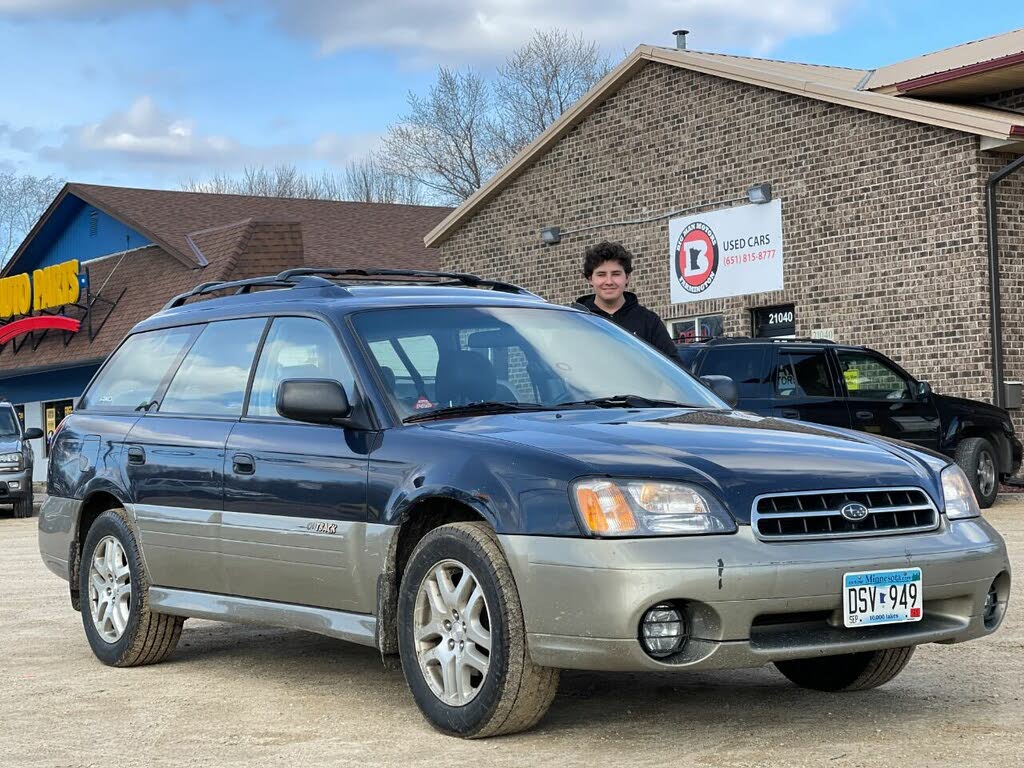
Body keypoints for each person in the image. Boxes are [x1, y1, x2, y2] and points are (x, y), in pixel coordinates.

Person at [575, 241, 679, 359]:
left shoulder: (649, 322)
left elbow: (674, 368)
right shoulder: (574, 321)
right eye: (601, 274)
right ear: (590, 279)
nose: (609, 281)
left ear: (627, 278)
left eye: (616, 274)